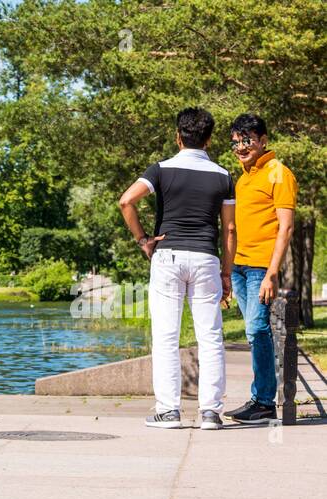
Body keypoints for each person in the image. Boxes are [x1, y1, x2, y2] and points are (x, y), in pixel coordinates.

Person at [118, 106, 235, 430]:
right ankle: (210, 412)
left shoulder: (160, 170)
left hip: (167, 256)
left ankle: (169, 411)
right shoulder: (224, 176)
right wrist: (227, 273)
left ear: (177, 136)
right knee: (210, 336)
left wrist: (144, 240)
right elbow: (228, 230)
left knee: (166, 336)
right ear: (209, 139)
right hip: (205, 258)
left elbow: (126, 201)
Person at [225, 113, 299, 423]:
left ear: (263, 140)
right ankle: (261, 398)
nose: (241, 147)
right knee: (253, 330)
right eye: (236, 142)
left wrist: (271, 272)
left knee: (258, 329)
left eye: (247, 140)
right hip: (240, 264)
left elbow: (286, 228)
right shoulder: (243, 178)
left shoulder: (278, 173)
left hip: (260, 267)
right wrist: (228, 270)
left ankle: (264, 401)